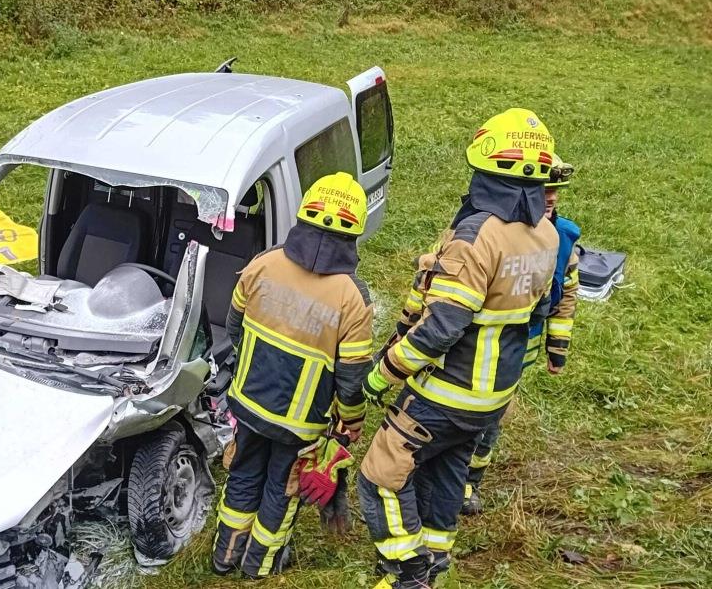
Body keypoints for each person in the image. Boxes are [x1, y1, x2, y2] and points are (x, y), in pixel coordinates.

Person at [357, 108, 560, 588]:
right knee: (445, 471)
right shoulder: (546, 234)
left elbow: (442, 326)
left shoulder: (476, 236)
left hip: (449, 392)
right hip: (494, 395)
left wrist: (381, 374)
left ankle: (408, 573)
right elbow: (537, 310)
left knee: (380, 478)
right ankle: (437, 565)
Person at [212, 172, 375, 579]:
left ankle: (225, 555)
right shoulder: (353, 297)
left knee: (244, 475)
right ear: (355, 230)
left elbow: (234, 326)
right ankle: (258, 566)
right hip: (300, 426)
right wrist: (351, 423)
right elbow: (352, 378)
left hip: (247, 404)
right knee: (280, 491)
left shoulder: (263, 263)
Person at [462, 154, 581, 515]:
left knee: (492, 418)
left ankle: (470, 482)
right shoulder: (488, 231)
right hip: (472, 346)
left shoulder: (562, 239)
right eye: (545, 190)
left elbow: (567, 294)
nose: (551, 198)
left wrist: (556, 348)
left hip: (517, 349)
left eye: (556, 191)